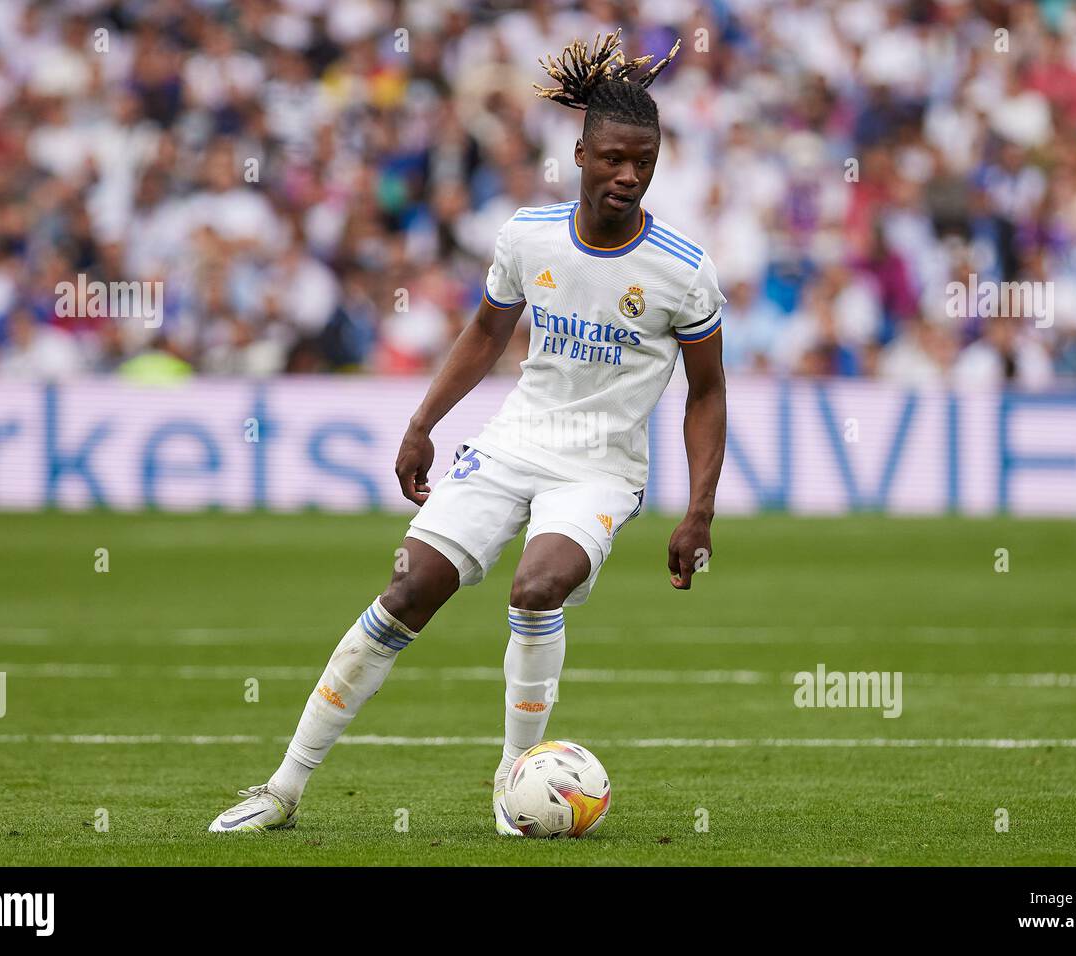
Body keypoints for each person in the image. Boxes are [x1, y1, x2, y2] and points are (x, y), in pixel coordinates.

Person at [209, 28, 728, 835]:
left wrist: (699, 508)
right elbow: (486, 334)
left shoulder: (682, 269)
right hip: (514, 439)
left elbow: (707, 393)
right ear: (582, 153)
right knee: (407, 591)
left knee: (536, 587)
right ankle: (282, 789)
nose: (630, 175)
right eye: (615, 158)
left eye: (645, 161)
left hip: (599, 467)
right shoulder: (530, 235)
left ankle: (513, 784)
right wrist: (423, 424)